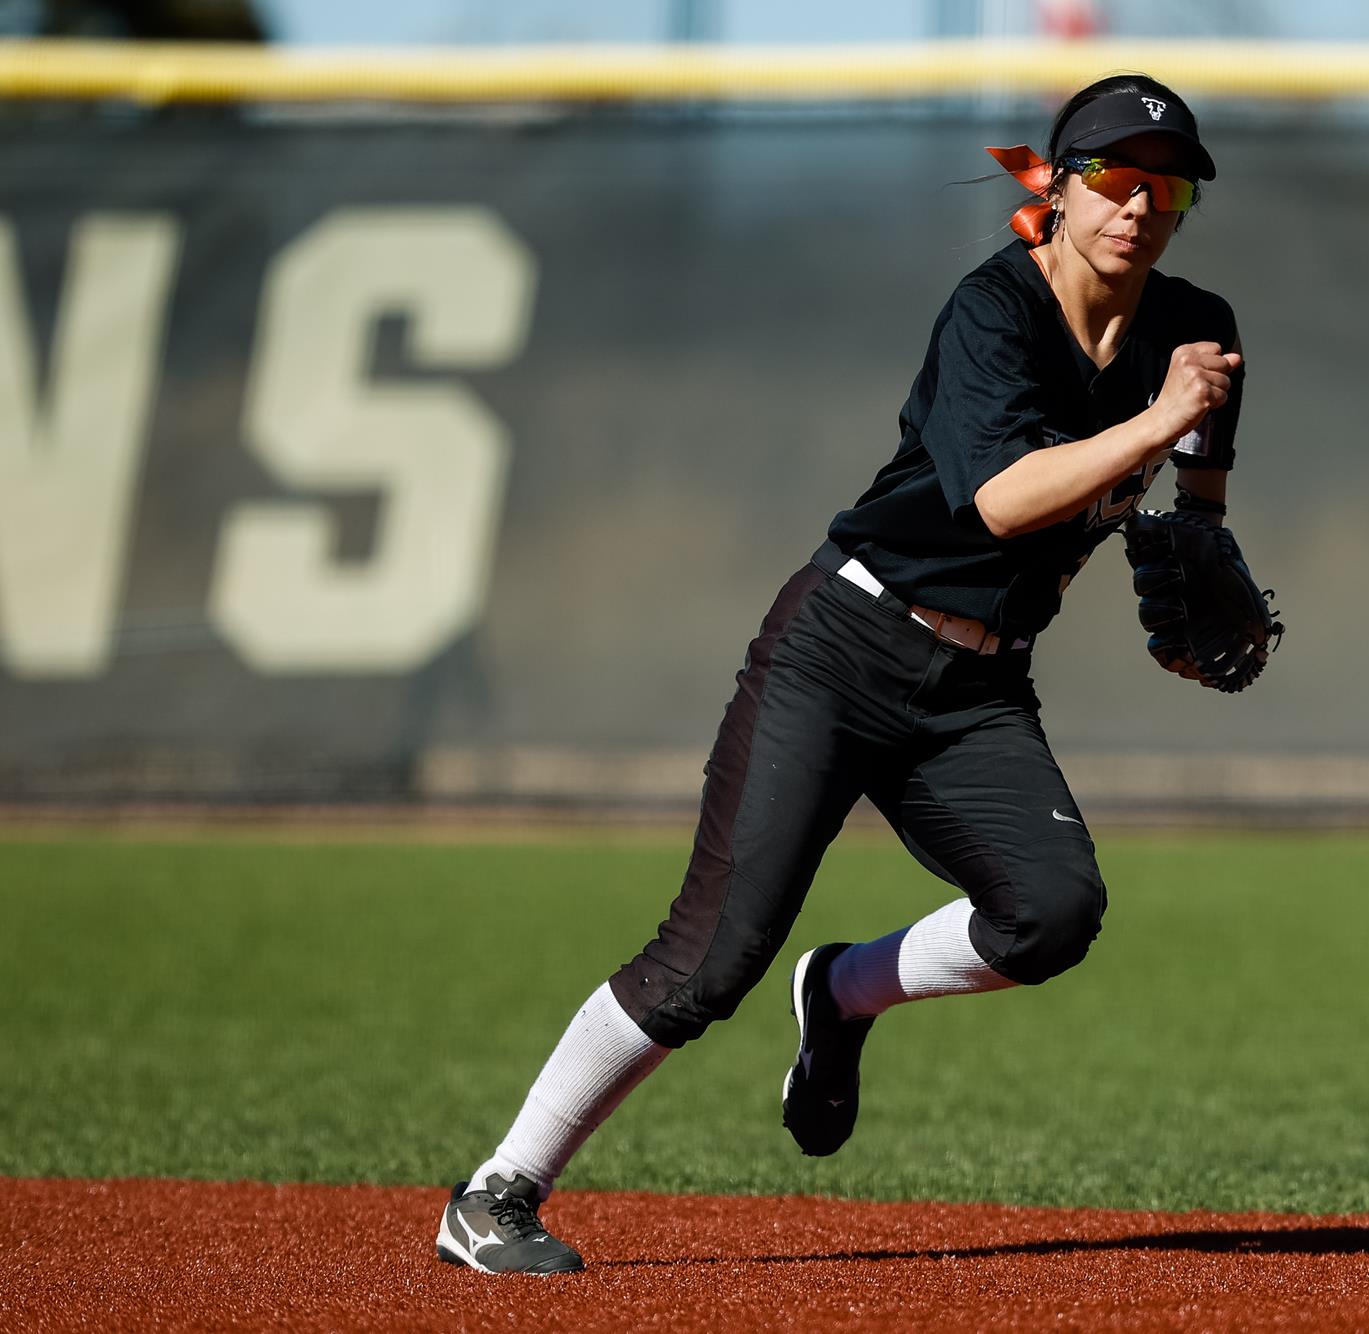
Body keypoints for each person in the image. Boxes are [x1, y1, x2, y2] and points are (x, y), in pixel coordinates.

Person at [435, 72, 1247, 1275]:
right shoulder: (993, 310)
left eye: (1165, 184)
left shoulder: (1194, 328)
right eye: (1114, 177)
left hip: (976, 692)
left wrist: (1202, 558)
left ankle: (845, 990)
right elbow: (1004, 499)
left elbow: (1200, 494)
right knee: (710, 958)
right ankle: (495, 1191)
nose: (1138, 202)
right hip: (843, 647)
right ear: (1059, 187)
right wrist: (1151, 423)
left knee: (1051, 912)